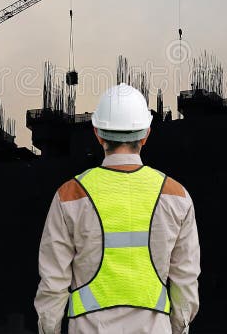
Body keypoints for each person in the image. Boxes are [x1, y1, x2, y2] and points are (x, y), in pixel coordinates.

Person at [35, 83, 200, 334]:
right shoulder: (175, 195)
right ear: (146, 135)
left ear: (97, 134)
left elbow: (53, 284)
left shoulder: (70, 195)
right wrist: (177, 328)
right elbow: (185, 282)